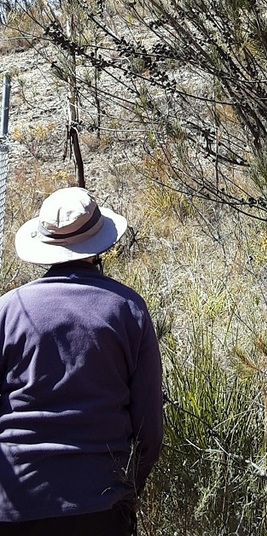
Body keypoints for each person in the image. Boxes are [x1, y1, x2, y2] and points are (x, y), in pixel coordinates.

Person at [0, 186, 163, 535]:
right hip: (100, 503)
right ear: (99, 245)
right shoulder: (127, 309)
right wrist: (130, 487)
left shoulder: (9, 310)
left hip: (16, 501)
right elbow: (149, 430)